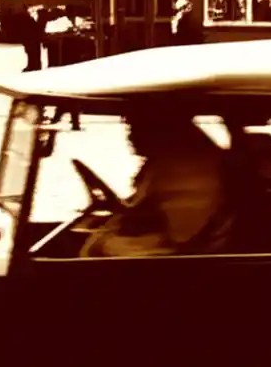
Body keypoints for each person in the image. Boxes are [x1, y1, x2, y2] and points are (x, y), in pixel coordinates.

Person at [81, 110, 230, 258]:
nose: (129, 137)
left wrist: (115, 209)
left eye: (133, 128)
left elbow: (141, 212)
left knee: (99, 249)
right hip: (184, 242)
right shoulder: (177, 160)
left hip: (183, 251)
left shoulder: (178, 166)